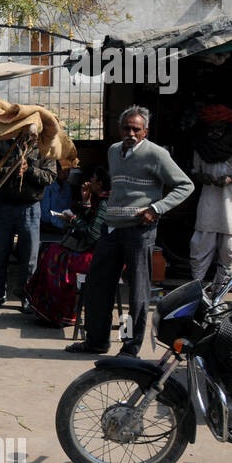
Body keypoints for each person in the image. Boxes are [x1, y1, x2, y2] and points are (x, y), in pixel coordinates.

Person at [67, 106, 194, 357]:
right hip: (111, 229)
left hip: (139, 231)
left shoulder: (156, 154)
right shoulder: (114, 151)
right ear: (119, 128)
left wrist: (156, 208)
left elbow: (185, 185)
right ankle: (97, 341)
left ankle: (129, 347)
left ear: (145, 131)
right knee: (97, 287)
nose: (131, 133)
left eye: (137, 129)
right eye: (127, 128)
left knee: (134, 295)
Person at [24, 167, 110, 326]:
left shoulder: (104, 204)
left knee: (56, 256)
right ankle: (47, 308)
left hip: (98, 256)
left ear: (99, 184)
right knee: (51, 251)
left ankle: (61, 312)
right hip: (90, 251)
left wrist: (73, 220)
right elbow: (89, 221)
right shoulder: (98, 199)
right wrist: (85, 202)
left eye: (93, 179)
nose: (89, 182)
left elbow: (92, 234)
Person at [0, 140, 58, 311]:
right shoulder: (2, 143)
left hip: (30, 206)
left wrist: (29, 170)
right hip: (3, 206)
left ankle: (27, 297)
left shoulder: (44, 147)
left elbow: (50, 176)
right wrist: (10, 171)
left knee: (29, 258)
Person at [190, 108, 232, 284]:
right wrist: (202, 177)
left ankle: (220, 290)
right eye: (211, 127)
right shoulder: (202, 147)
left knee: (229, 250)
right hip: (209, 203)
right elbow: (194, 171)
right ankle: (196, 287)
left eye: (219, 126)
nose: (215, 131)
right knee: (200, 247)